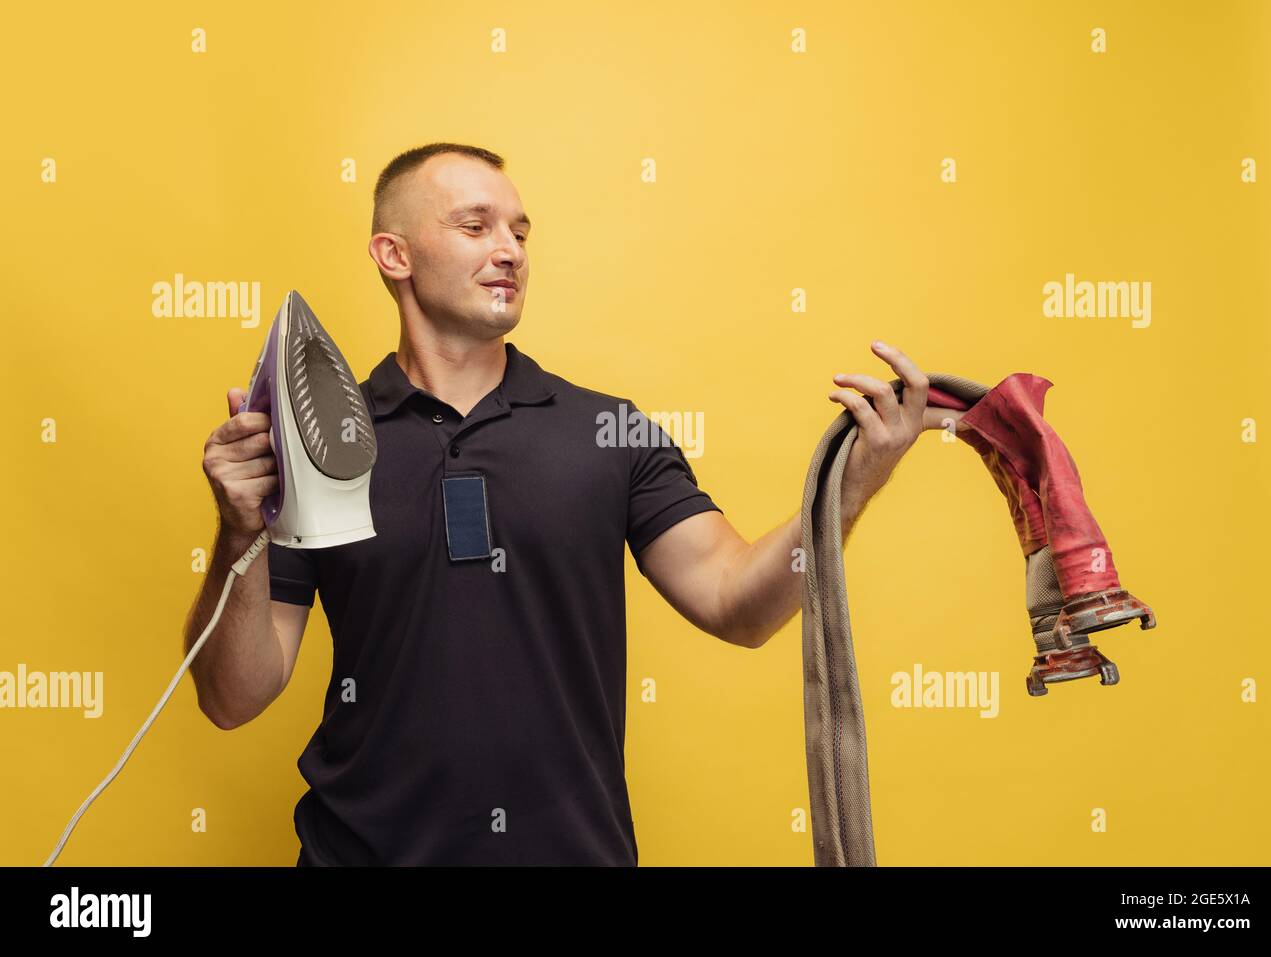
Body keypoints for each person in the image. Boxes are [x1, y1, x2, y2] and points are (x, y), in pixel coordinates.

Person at [186, 142, 964, 865]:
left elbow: (739, 605)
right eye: (475, 225)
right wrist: (237, 533)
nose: (510, 250)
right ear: (394, 254)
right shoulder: (320, 447)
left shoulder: (608, 430)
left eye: (521, 231)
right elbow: (232, 696)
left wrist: (854, 478)